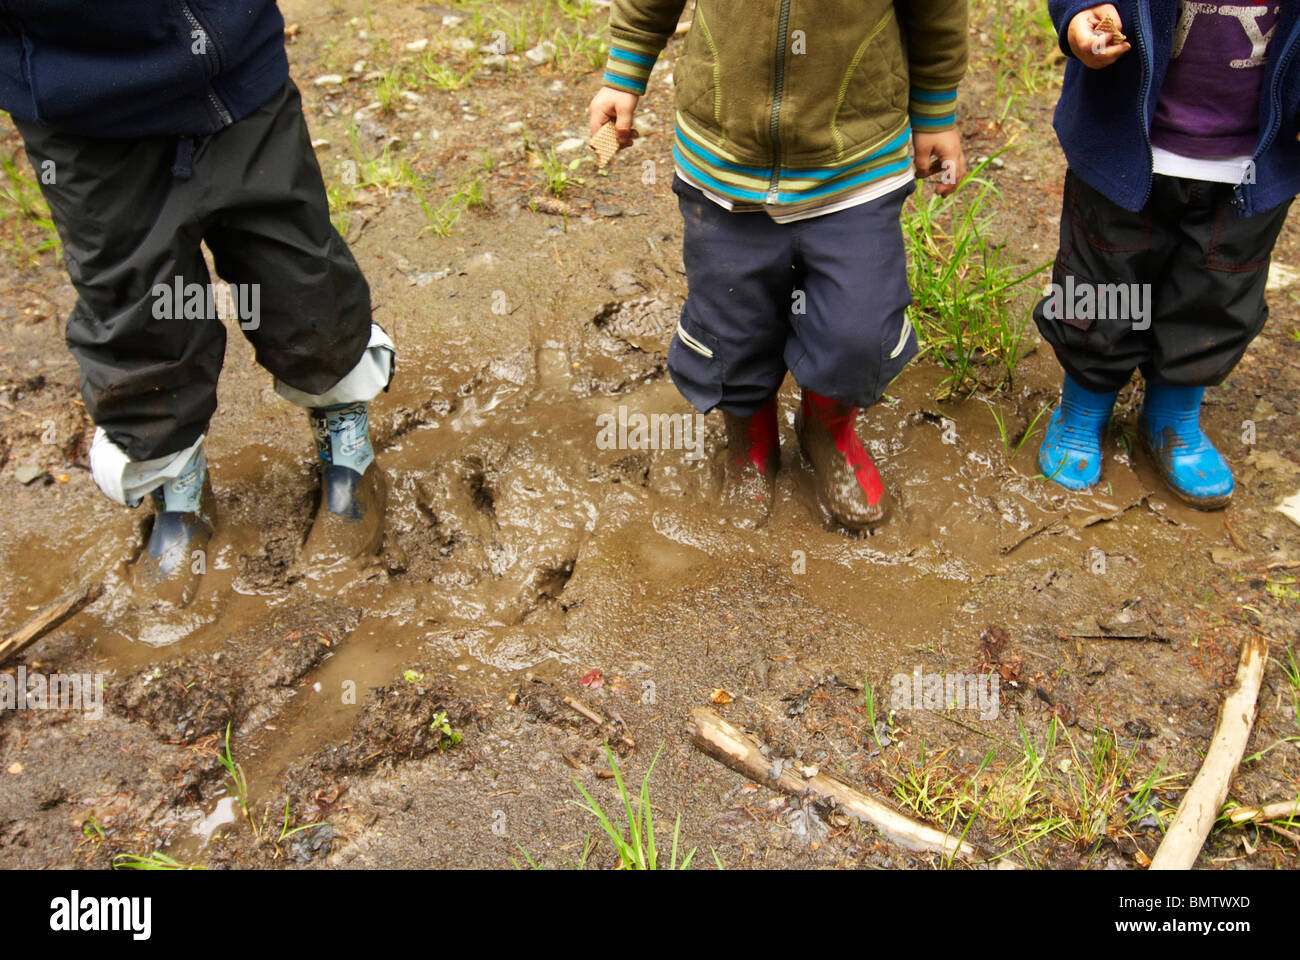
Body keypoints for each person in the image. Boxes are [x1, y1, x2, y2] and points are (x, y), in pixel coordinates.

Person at [0, 1, 393, 603]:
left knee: (299, 278)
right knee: (142, 310)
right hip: (79, 98)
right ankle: (176, 488)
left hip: (234, 65)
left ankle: (348, 443)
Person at [589, 0, 968, 531]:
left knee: (858, 330)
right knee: (730, 325)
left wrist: (935, 111)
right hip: (723, 161)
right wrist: (624, 75)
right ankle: (748, 439)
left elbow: (937, 10)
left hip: (855, 162)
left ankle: (827, 428)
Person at [1036, 0, 1299, 508]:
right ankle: (1084, 408)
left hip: (1253, 157)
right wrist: (1080, 16)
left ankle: (1174, 414)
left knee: (1218, 290)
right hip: (1127, 139)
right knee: (1103, 283)